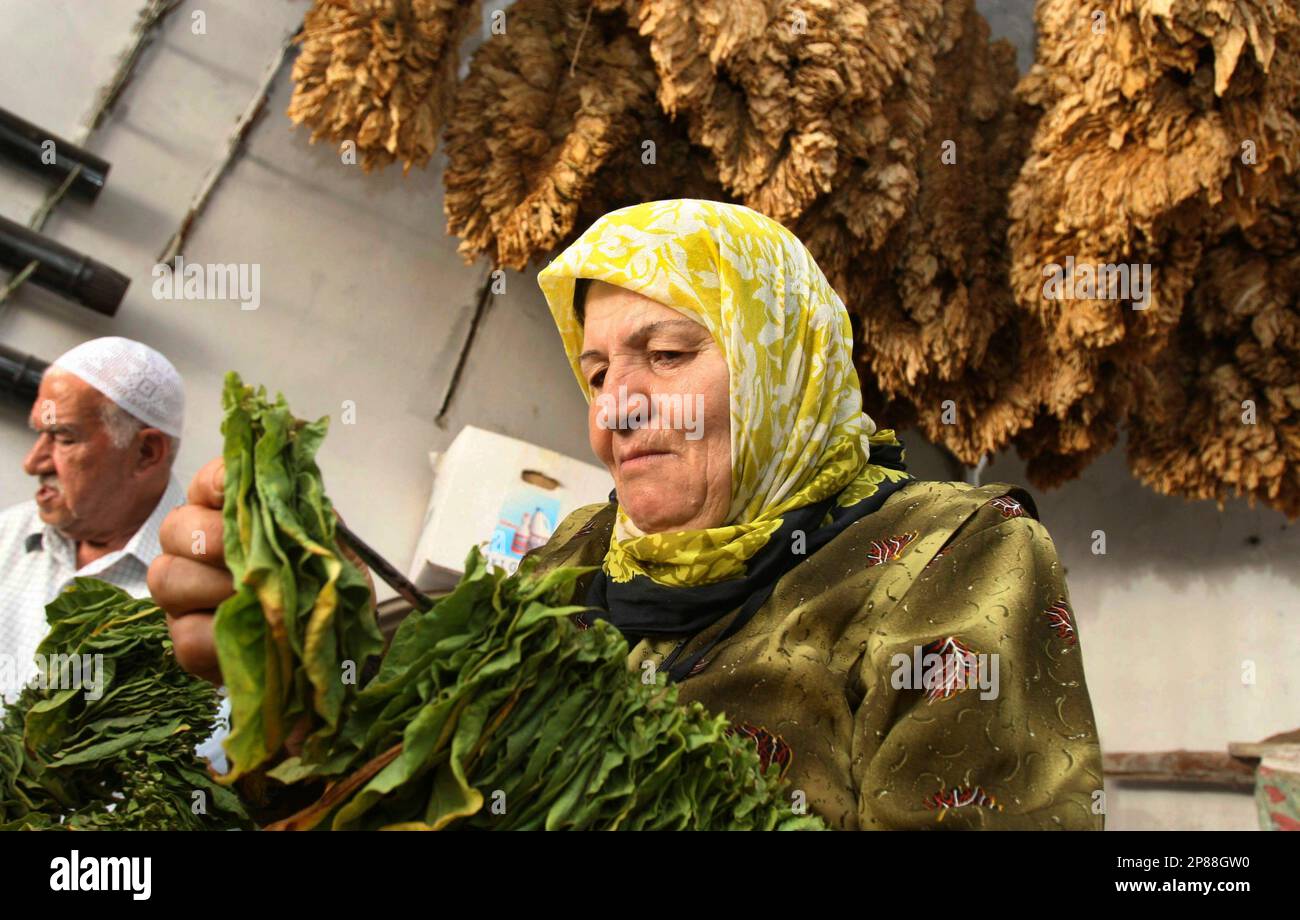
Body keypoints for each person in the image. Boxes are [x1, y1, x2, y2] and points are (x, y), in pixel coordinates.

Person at [152, 199, 1104, 830]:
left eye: (670, 353)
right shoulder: (577, 558)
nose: (617, 407)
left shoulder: (952, 557)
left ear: (784, 367)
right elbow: (388, 779)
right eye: (598, 372)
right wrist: (313, 665)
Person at [0, 336, 186, 706]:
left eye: (64, 439)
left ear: (146, 452)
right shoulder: (8, 534)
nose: (33, 463)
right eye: (41, 434)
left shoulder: (199, 594)